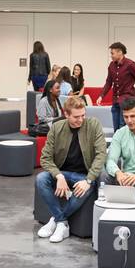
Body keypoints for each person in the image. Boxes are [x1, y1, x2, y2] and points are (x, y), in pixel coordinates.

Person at [35, 96, 107, 244]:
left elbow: (101, 155)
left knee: (86, 188)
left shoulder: (93, 125)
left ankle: (57, 220)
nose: (80, 120)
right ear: (66, 114)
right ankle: (62, 222)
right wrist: (59, 176)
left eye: (83, 115)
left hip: (83, 175)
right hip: (62, 172)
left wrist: (89, 179)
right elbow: (45, 158)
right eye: (76, 117)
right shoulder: (57, 128)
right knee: (41, 179)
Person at [101, 42, 135, 131]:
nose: (111, 56)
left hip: (127, 101)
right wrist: (101, 96)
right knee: (116, 129)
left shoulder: (130, 64)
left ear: (120, 52)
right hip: (115, 101)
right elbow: (108, 82)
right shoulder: (111, 65)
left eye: (112, 53)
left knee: (123, 129)